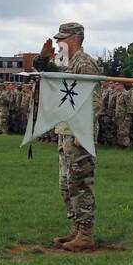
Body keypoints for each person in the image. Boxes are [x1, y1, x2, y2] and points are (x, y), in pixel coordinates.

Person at [39, 22, 102, 252]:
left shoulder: (85, 64)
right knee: (66, 184)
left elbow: (94, 100)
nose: (58, 43)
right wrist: (42, 59)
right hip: (66, 129)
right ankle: (77, 227)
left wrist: (82, 129)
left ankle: (86, 233)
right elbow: (49, 76)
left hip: (78, 132)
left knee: (80, 183)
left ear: (74, 39)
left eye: (61, 39)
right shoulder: (68, 63)